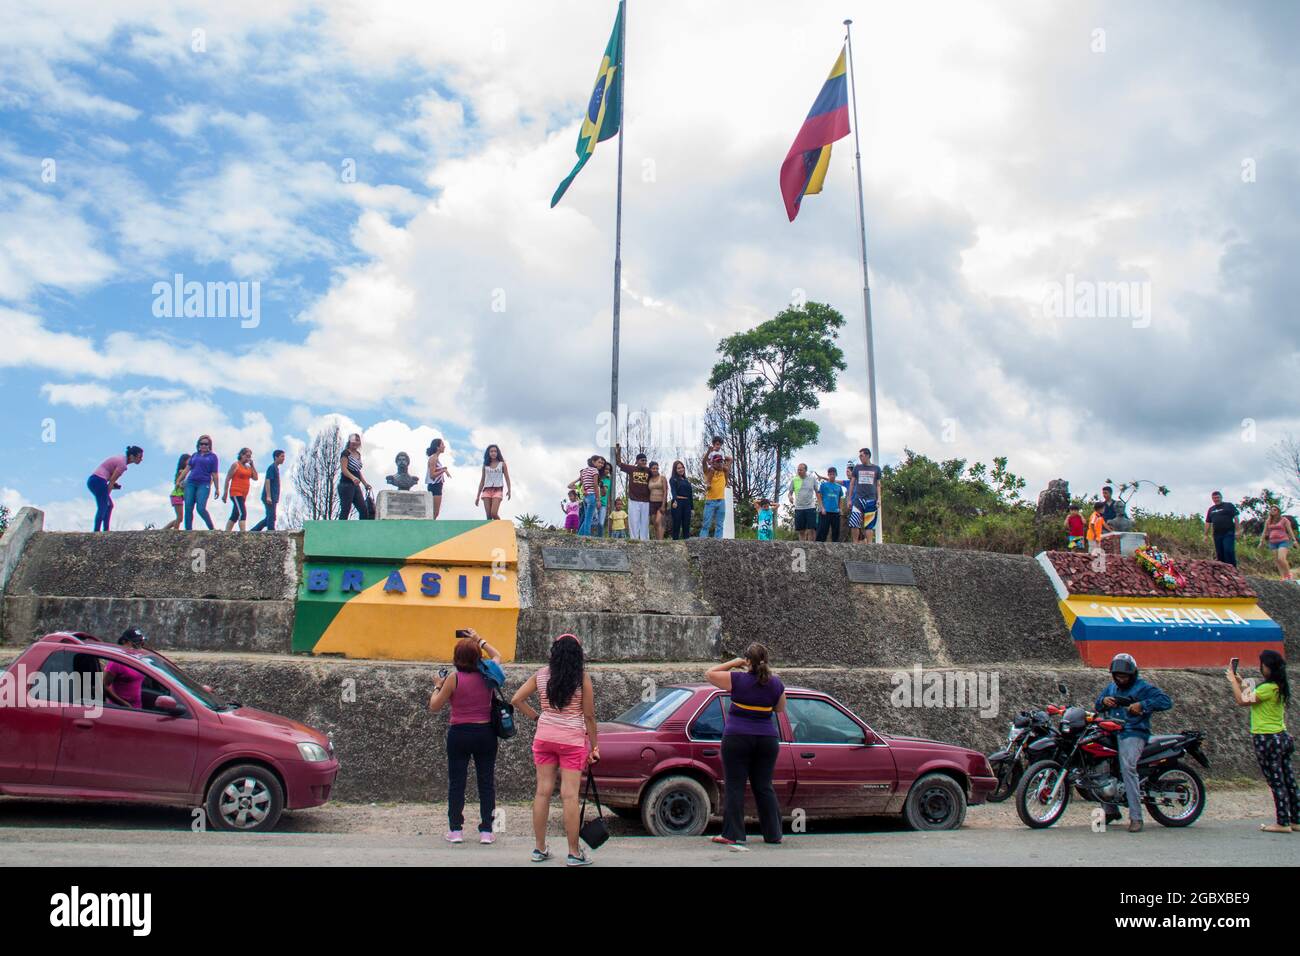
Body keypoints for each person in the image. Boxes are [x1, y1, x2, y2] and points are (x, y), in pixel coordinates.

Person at [511, 634, 600, 866]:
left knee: (542, 792)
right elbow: (589, 716)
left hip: (544, 737)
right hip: (571, 740)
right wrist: (595, 746)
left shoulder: (540, 675)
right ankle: (573, 853)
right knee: (569, 795)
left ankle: (539, 849)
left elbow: (516, 699)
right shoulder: (582, 678)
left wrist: (537, 717)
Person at [707, 643, 787, 848]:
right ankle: (774, 834)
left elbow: (710, 673)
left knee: (735, 786)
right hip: (767, 739)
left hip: (737, 738)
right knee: (764, 786)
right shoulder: (776, 684)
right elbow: (780, 709)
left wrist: (735, 662)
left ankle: (733, 834)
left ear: (748, 661)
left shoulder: (738, 679)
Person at [428, 631, 504, 845]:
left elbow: (434, 706)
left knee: (457, 783)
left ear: (456, 657)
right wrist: (479, 639)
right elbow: (497, 654)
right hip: (485, 733)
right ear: (478, 657)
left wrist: (437, 685)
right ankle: (487, 831)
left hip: (459, 733)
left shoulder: (454, 678)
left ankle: (455, 830)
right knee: (486, 783)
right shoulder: (489, 674)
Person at [1094, 653, 1172, 833]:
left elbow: (1166, 701)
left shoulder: (1143, 687)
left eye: (1124, 676)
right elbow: (1097, 705)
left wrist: (1142, 705)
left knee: (1128, 766)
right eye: (1117, 675)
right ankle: (1110, 811)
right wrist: (1103, 701)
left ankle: (1136, 817)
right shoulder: (1111, 688)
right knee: (1098, 763)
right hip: (1111, 731)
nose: (1121, 679)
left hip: (1134, 732)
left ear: (1132, 674)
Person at [1227, 650, 1297, 832]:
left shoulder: (1267, 688)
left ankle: (1282, 823)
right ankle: (1296, 819)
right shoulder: (1279, 686)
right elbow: (1253, 697)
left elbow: (1243, 701)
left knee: (1276, 782)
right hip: (1282, 737)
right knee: (1289, 781)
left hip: (1267, 738)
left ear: (1269, 668)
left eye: (1263, 665)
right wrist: (1243, 683)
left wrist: (1233, 682)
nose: (1261, 667)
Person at [87, 445, 144, 532]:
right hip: (98, 481)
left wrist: (112, 486)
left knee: (109, 506)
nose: (141, 459)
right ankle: (97, 531)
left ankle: (105, 529)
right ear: (132, 456)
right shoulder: (122, 465)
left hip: (95, 480)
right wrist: (108, 493)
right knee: (105, 505)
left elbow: (110, 478)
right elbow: (111, 481)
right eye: (140, 457)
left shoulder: (122, 460)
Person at [103, 628, 148, 709]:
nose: (139, 646)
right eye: (136, 643)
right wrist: (124, 705)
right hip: (121, 710)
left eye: (142, 643)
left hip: (138, 708)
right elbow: (104, 686)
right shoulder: (117, 662)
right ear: (124, 642)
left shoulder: (139, 658)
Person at [183, 435, 221, 530]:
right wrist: (179, 480)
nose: (204, 446)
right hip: (191, 482)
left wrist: (217, 488)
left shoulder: (213, 457)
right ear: (198, 445)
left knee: (201, 508)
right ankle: (188, 530)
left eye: (206, 444)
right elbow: (187, 469)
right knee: (188, 507)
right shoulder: (195, 455)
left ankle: (211, 528)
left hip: (204, 483)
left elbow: (215, 474)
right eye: (202, 444)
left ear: (209, 445)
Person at [615, 445, 652, 540]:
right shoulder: (632, 469)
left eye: (645, 460)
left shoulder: (649, 471)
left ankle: (645, 541)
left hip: (646, 500)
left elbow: (657, 477)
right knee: (634, 521)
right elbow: (619, 463)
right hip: (633, 500)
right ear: (637, 461)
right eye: (642, 460)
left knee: (644, 522)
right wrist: (618, 452)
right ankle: (634, 540)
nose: (644, 462)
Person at [847, 448, 882, 542]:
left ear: (867, 456)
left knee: (869, 524)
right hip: (858, 499)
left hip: (871, 499)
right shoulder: (857, 468)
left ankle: (869, 545)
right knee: (854, 522)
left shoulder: (876, 468)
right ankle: (855, 544)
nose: (860, 458)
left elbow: (878, 485)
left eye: (861, 456)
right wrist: (849, 499)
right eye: (859, 456)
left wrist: (879, 499)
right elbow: (852, 483)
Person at [699, 438, 730, 538]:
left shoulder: (724, 471)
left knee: (720, 525)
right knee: (706, 524)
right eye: (717, 462)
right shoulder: (708, 471)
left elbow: (729, 460)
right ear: (712, 462)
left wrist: (725, 459)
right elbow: (703, 462)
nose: (720, 463)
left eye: (721, 462)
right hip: (710, 501)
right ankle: (702, 543)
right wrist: (709, 451)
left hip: (721, 501)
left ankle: (718, 544)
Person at [222, 447, 258, 531]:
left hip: (244, 493)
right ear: (241, 455)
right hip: (236, 492)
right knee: (243, 512)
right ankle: (243, 533)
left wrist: (252, 465)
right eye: (247, 455)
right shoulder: (236, 465)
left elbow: (255, 478)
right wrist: (225, 493)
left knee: (235, 514)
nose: (248, 458)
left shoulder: (248, 467)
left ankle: (227, 532)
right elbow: (228, 478)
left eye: (250, 456)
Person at [338, 433, 372, 519]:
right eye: (353, 440)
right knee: (346, 509)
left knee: (363, 510)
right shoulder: (345, 453)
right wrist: (352, 478)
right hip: (345, 485)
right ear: (349, 441)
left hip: (355, 486)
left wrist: (365, 484)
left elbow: (358, 471)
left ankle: (362, 530)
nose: (355, 442)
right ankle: (340, 529)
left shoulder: (358, 454)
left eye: (357, 440)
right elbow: (344, 469)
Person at [250, 449, 284, 532]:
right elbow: (267, 481)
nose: (283, 458)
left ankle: (254, 530)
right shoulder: (271, 467)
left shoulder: (276, 468)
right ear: (276, 457)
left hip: (274, 496)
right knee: (271, 516)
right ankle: (271, 531)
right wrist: (268, 496)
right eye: (282, 456)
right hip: (269, 496)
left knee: (271, 517)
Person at [1260, 505, 1297, 580]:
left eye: (1275, 510)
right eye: (1271, 510)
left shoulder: (1284, 520)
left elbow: (1290, 531)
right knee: (1277, 560)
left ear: (1278, 511)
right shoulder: (1268, 521)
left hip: (1283, 541)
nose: (1273, 511)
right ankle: (1283, 576)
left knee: (1281, 558)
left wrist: (1294, 540)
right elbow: (1264, 532)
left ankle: (1288, 575)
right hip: (1273, 542)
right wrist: (1261, 541)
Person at [1203, 491, 1240, 567]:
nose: (1216, 499)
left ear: (1221, 497)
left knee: (1228, 550)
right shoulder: (1211, 509)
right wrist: (1205, 535)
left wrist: (1238, 531)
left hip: (1228, 532)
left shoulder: (1228, 506)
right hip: (1217, 534)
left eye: (1217, 497)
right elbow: (1208, 522)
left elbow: (1236, 518)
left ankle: (1232, 568)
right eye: (1214, 498)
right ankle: (1223, 570)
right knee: (1220, 553)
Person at [475, 444, 511, 520]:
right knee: (488, 517)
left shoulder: (502, 464)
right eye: (491, 451)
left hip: (498, 490)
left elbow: (507, 478)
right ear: (488, 453)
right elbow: (482, 481)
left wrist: (509, 490)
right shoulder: (485, 465)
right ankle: (491, 531)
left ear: (498, 453)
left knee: (493, 513)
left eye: (495, 451)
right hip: (486, 491)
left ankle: (502, 528)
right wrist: (478, 496)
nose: (493, 453)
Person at [571, 455, 602, 536]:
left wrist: (584, 491)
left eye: (602, 463)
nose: (601, 464)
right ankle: (586, 537)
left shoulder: (584, 471)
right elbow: (595, 485)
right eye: (599, 462)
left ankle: (579, 536)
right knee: (589, 519)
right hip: (592, 496)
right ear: (593, 462)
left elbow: (583, 484)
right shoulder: (595, 470)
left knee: (586, 519)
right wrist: (598, 499)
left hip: (585, 497)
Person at [788, 463, 818, 542]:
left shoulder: (812, 479)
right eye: (798, 470)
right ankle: (802, 546)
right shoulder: (794, 480)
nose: (799, 471)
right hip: (799, 508)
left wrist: (821, 505)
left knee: (812, 529)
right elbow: (790, 492)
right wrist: (790, 497)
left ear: (805, 470)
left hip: (810, 507)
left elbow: (817, 492)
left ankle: (811, 546)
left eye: (801, 470)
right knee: (801, 530)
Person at [815, 466, 844, 542]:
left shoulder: (838, 487)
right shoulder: (824, 485)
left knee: (836, 532)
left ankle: (835, 547)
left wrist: (840, 509)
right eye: (830, 474)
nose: (832, 476)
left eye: (833, 474)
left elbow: (840, 498)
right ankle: (819, 547)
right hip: (825, 511)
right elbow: (819, 496)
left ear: (836, 475)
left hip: (835, 512)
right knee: (822, 531)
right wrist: (822, 507)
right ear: (828, 475)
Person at [425, 439, 451, 519]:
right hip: (435, 486)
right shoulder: (433, 458)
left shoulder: (435, 458)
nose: (444, 446)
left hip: (437, 486)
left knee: (435, 513)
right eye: (442, 444)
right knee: (434, 513)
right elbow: (432, 475)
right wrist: (443, 470)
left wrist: (443, 469)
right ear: (437, 447)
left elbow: (435, 471)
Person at [163, 453, 190, 530]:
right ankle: (175, 531)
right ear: (184, 461)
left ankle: (165, 529)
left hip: (179, 496)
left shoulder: (183, 471)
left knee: (179, 518)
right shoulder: (182, 471)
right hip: (177, 495)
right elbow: (180, 484)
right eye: (189, 460)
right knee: (180, 517)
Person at [669, 459, 693, 539]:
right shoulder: (673, 479)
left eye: (682, 467)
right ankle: (675, 543)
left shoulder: (686, 481)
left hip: (687, 504)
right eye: (678, 468)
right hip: (677, 503)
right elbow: (673, 491)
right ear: (675, 470)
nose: (681, 469)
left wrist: (692, 508)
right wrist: (675, 500)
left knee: (686, 524)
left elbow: (690, 495)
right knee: (677, 524)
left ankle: (687, 542)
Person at [648, 461, 670, 540]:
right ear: (650, 469)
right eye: (653, 468)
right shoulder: (649, 479)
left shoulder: (662, 478)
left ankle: (661, 542)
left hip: (661, 502)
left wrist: (663, 505)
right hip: (652, 503)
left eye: (657, 468)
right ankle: (658, 541)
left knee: (659, 521)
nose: (655, 470)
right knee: (655, 524)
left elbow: (665, 491)